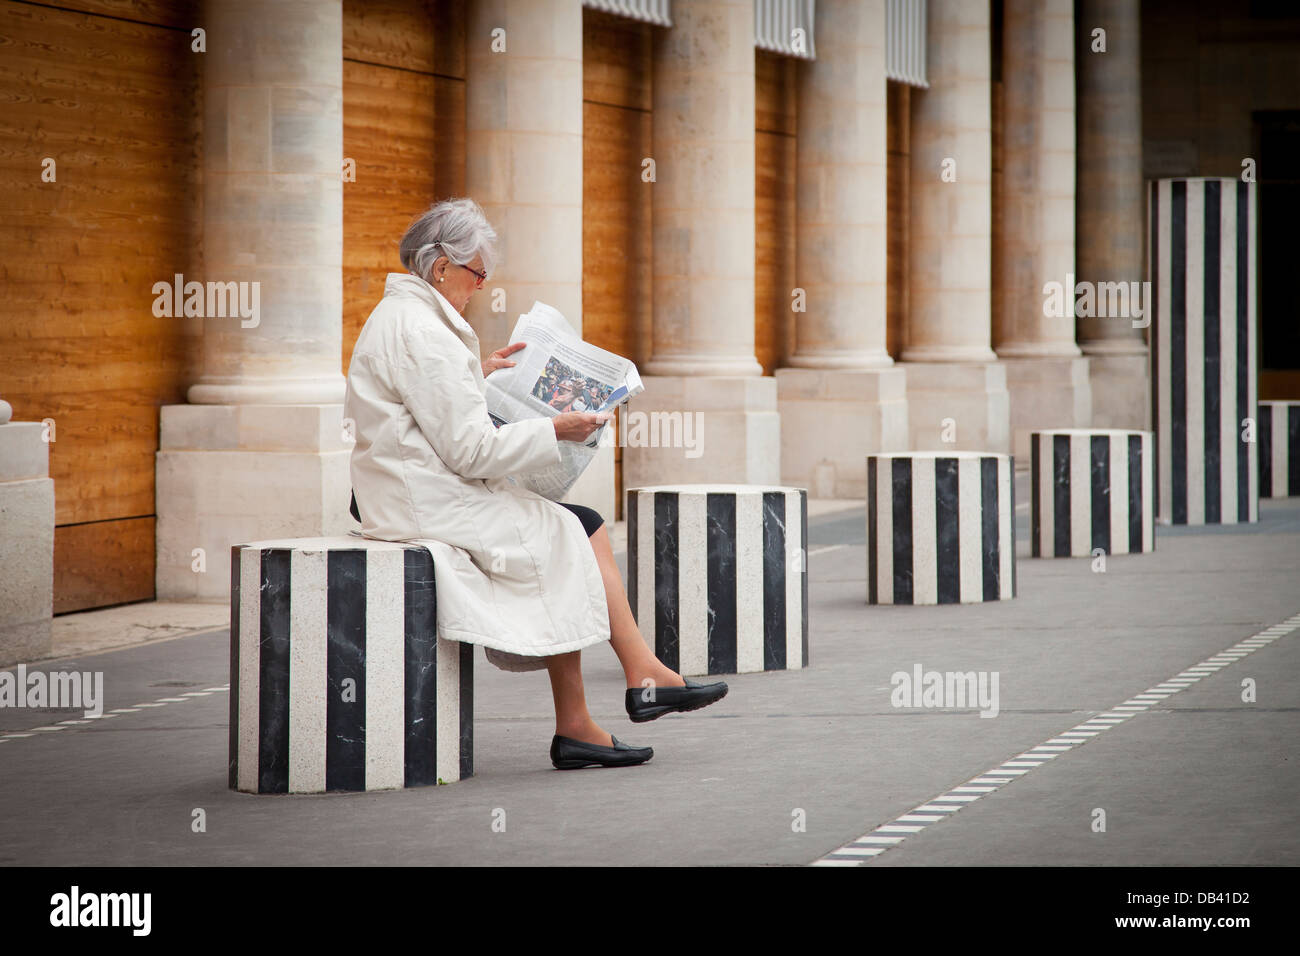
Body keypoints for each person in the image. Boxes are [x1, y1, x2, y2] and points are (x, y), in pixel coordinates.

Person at [343, 198, 727, 770]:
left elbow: (418, 407)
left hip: (416, 485)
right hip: (422, 499)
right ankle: (605, 705)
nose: (480, 285)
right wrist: (556, 428)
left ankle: (622, 690)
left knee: (579, 526)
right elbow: (471, 451)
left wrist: (479, 375)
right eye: (477, 272)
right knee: (566, 534)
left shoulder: (407, 318)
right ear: (441, 265)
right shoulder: (424, 332)